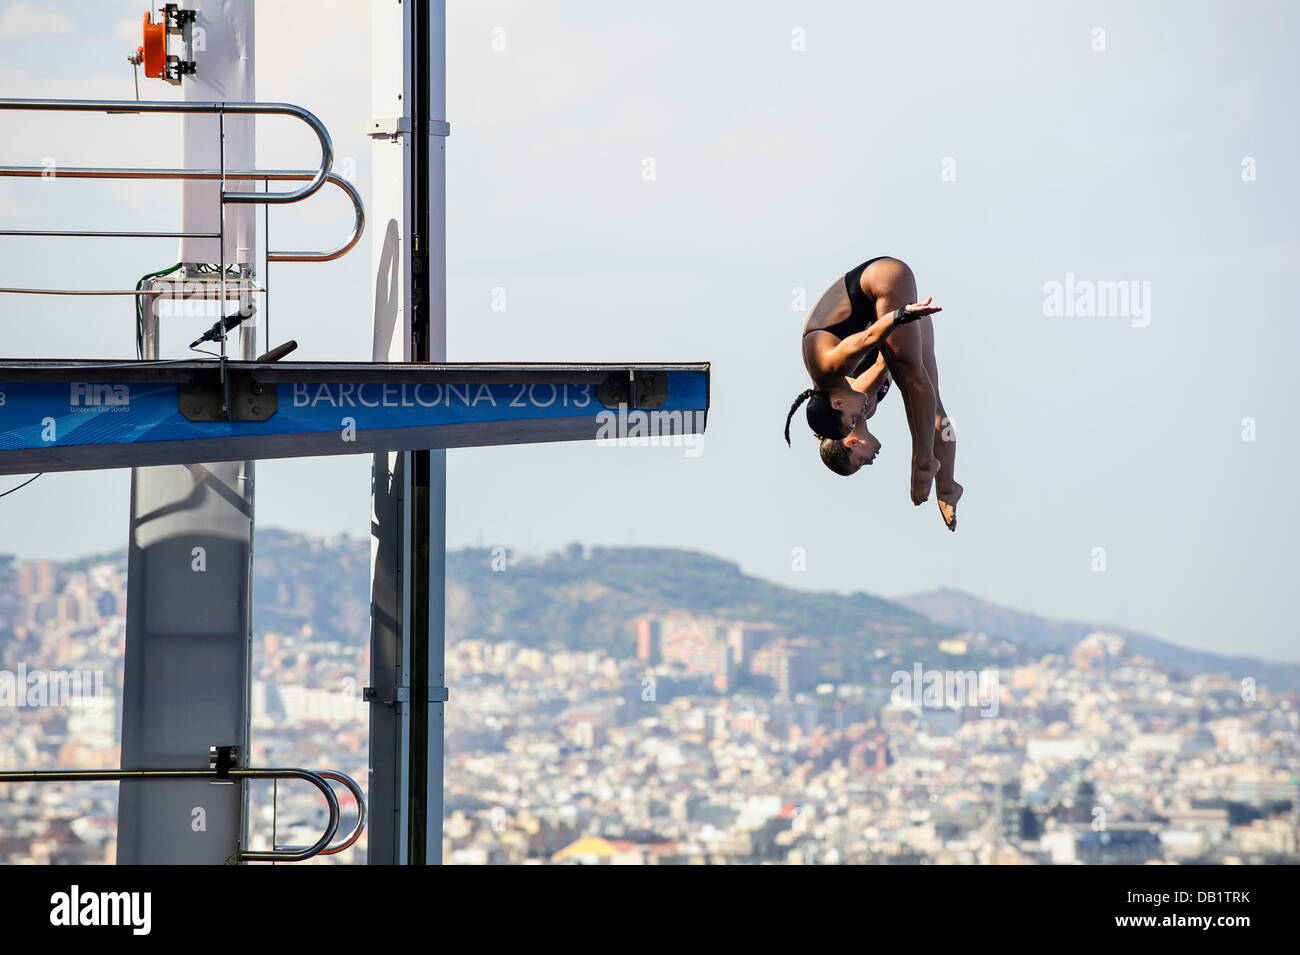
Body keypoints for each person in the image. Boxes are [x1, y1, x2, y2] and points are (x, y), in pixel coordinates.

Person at [785, 256, 961, 527]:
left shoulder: (830, 367)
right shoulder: (842, 391)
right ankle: (946, 486)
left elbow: (872, 344)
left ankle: (924, 463)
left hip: (884, 284)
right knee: (932, 409)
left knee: (912, 382)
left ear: (838, 404)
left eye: (852, 420)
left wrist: (901, 315)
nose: (860, 415)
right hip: (892, 313)